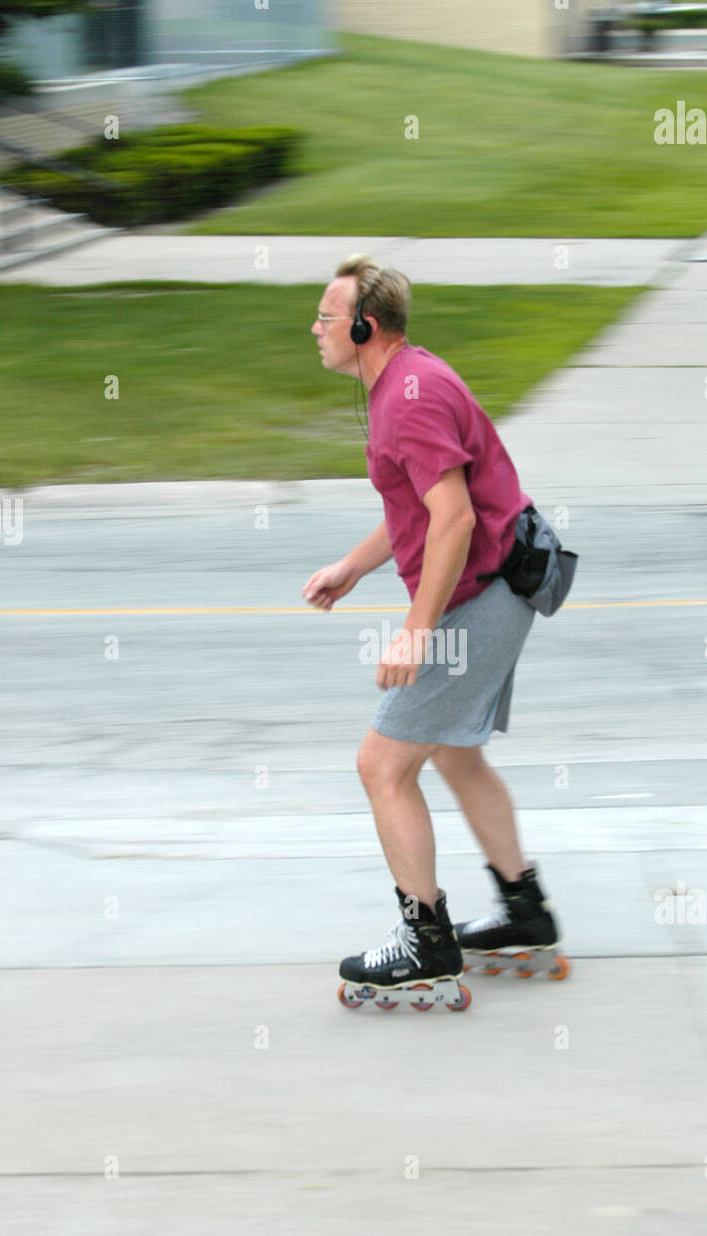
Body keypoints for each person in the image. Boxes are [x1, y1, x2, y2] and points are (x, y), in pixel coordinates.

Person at [302, 254, 563, 1006]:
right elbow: (415, 508)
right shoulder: (405, 380)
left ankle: (425, 939)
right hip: (502, 580)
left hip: (481, 595)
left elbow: (450, 517)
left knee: (382, 767)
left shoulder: (407, 399)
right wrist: (354, 567)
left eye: (325, 317)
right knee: (453, 755)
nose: (315, 330)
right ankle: (524, 909)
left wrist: (417, 630)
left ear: (363, 326)